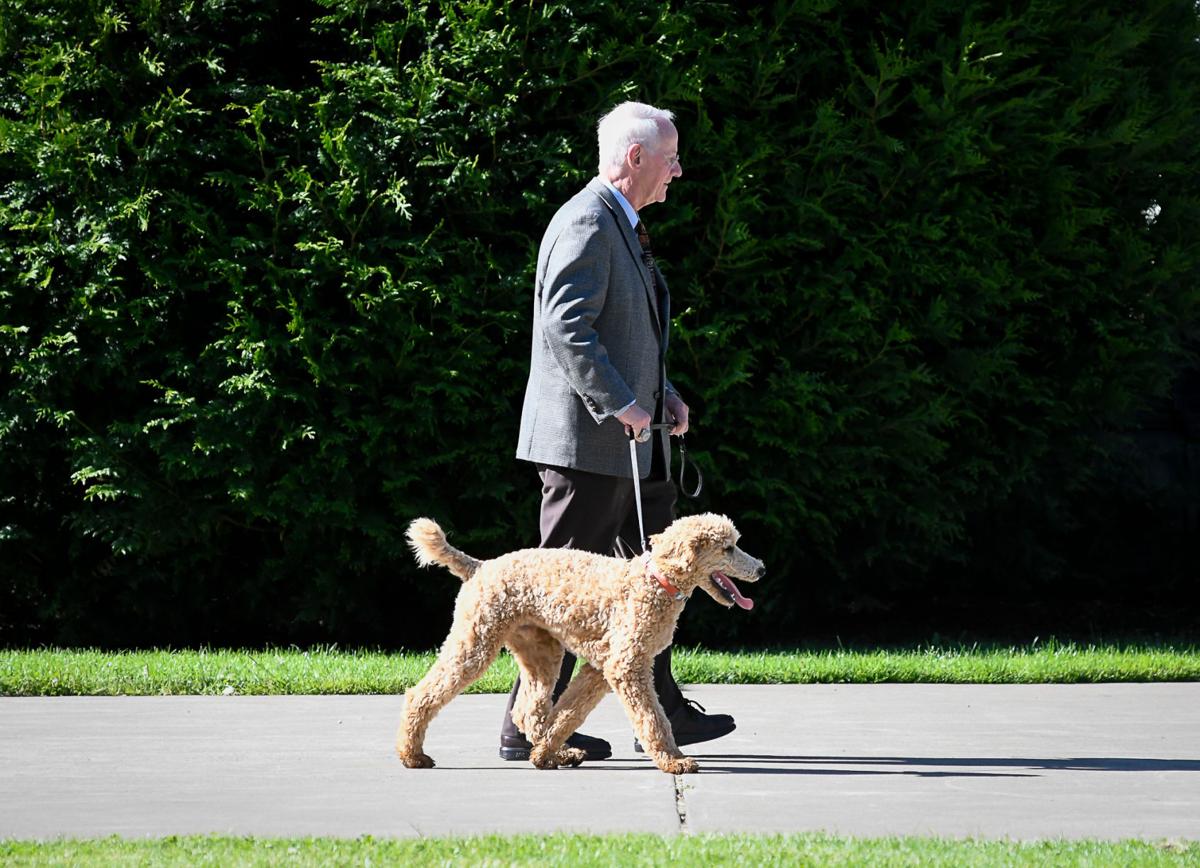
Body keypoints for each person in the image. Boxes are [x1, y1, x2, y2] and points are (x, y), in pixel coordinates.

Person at [501, 101, 736, 761]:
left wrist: (661, 397)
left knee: (659, 580)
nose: (678, 172)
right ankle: (526, 729)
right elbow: (566, 328)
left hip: (633, 443)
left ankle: (666, 717)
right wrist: (622, 404)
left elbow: (626, 332)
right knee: (553, 598)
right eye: (671, 158)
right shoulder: (586, 221)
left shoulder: (619, 223)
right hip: (589, 447)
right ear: (636, 158)